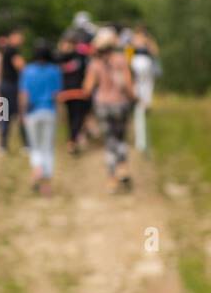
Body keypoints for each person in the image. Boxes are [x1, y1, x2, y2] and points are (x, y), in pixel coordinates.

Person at [63, 26, 135, 193]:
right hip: (120, 103)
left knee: (110, 142)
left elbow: (87, 89)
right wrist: (133, 97)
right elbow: (129, 85)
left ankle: (111, 179)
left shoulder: (94, 64)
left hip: (103, 105)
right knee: (121, 137)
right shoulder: (121, 60)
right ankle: (123, 167)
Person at [19, 38, 62, 195]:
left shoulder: (27, 71)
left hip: (32, 113)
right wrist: (60, 114)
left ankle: (37, 168)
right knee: (48, 149)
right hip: (49, 111)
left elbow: (24, 94)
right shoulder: (54, 71)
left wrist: (22, 113)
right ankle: (46, 184)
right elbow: (57, 95)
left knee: (35, 147)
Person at [57, 27, 93, 156]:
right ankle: (72, 140)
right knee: (74, 118)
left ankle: (72, 140)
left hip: (76, 92)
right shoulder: (62, 58)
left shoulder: (61, 57)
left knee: (75, 118)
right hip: (71, 93)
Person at [0, 26, 28, 152]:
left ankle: (3, 145)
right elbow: (21, 66)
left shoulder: (6, 50)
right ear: (13, 37)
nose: (22, 40)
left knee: (4, 115)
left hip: (4, 85)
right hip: (11, 87)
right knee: (19, 114)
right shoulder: (12, 50)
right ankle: (25, 144)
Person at [129, 25, 158, 154]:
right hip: (137, 79)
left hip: (145, 79)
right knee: (139, 109)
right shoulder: (131, 45)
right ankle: (140, 142)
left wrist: (148, 42)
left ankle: (142, 142)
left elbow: (155, 53)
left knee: (143, 107)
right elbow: (128, 57)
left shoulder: (148, 44)